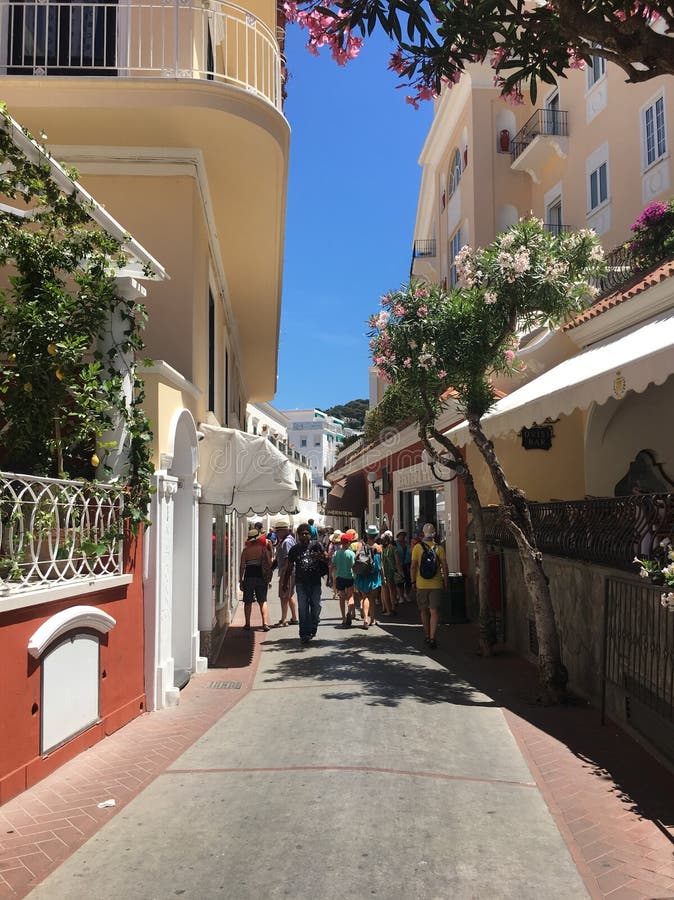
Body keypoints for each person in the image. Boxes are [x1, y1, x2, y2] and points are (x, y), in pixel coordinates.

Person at [282, 523, 327, 643]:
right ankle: (304, 633)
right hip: (301, 583)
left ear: (310, 535)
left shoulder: (317, 545)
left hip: (315, 582)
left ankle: (314, 624)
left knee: (316, 606)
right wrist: (285, 583)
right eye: (302, 534)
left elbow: (327, 558)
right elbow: (289, 567)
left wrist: (319, 556)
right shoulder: (294, 549)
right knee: (303, 608)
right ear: (298, 535)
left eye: (306, 534)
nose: (304, 536)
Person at [410, 523, 449, 649]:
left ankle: (426, 635)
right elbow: (445, 566)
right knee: (434, 611)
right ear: (434, 534)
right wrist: (446, 581)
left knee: (424, 610)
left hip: (421, 584)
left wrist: (413, 582)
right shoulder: (439, 548)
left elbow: (413, 566)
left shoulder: (417, 548)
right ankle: (432, 637)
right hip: (436, 584)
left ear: (423, 534)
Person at [239, 526, 272, 632]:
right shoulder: (263, 549)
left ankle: (247, 624)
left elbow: (242, 566)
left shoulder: (246, 551)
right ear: (257, 538)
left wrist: (240, 580)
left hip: (249, 577)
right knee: (263, 600)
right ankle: (265, 623)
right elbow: (269, 563)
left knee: (248, 601)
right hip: (261, 576)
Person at [353, 525, 383, 630]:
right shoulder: (378, 548)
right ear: (376, 535)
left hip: (362, 574)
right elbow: (380, 565)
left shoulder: (361, 545)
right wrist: (383, 577)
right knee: (372, 599)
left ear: (367, 534)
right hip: (374, 576)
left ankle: (365, 619)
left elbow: (356, 558)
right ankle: (372, 619)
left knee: (364, 597)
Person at [274, 520, 299, 627]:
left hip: (287, 572)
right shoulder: (288, 540)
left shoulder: (286, 542)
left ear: (283, 531)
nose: (276, 533)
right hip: (289, 572)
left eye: (278, 531)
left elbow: (288, 559)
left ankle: (283, 620)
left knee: (284, 596)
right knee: (289, 596)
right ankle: (294, 618)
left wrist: (285, 575)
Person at [333, 533, 356, 626]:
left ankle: (343, 618)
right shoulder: (351, 553)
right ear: (348, 543)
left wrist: (331, 577)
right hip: (349, 576)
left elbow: (333, 565)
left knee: (342, 597)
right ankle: (349, 612)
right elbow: (354, 566)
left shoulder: (336, 553)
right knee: (350, 596)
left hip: (339, 577)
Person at [380, 530, 398, 616]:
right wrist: (400, 571)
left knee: (384, 590)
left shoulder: (380, 548)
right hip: (391, 570)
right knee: (392, 589)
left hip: (382, 571)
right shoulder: (393, 548)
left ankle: (386, 608)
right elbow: (397, 561)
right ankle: (393, 607)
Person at [395, 530, 412, 602]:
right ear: (398, 536)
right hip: (398, 564)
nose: (403, 536)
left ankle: (406, 594)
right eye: (401, 535)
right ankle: (401, 596)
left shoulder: (407, 544)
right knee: (399, 581)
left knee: (408, 581)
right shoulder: (395, 544)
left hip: (407, 564)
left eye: (404, 535)